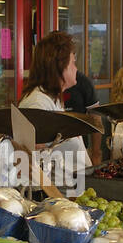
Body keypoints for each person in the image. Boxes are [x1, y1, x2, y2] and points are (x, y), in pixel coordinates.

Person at [20, 31, 90, 186]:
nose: (75, 68)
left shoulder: (51, 99)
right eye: (72, 62)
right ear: (59, 65)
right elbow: (34, 162)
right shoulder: (37, 104)